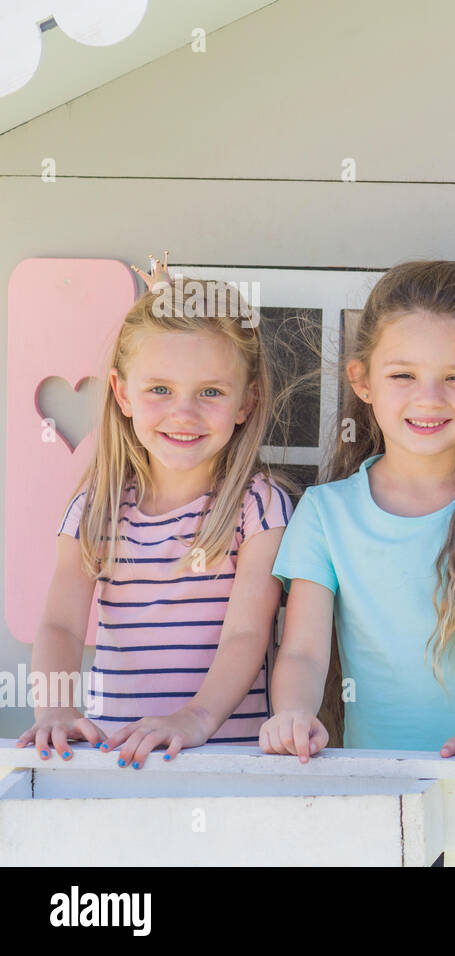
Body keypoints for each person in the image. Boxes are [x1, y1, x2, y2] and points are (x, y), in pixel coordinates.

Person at [261, 260, 455, 762]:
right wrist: (293, 712)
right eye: (403, 374)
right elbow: (304, 652)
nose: (429, 398)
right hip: (379, 788)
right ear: (362, 380)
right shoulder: (327, 513)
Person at [19, 254, 292, 768]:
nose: (183, 413)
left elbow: (246, 634)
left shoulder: (256, 508)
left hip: (223, 761)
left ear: (246, 402)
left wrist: (197, 718)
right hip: (114, 759)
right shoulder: (94, 511)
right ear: (122, 394)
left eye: (210, 392)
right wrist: (55, 710)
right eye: (160, 390)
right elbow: (60, 625)